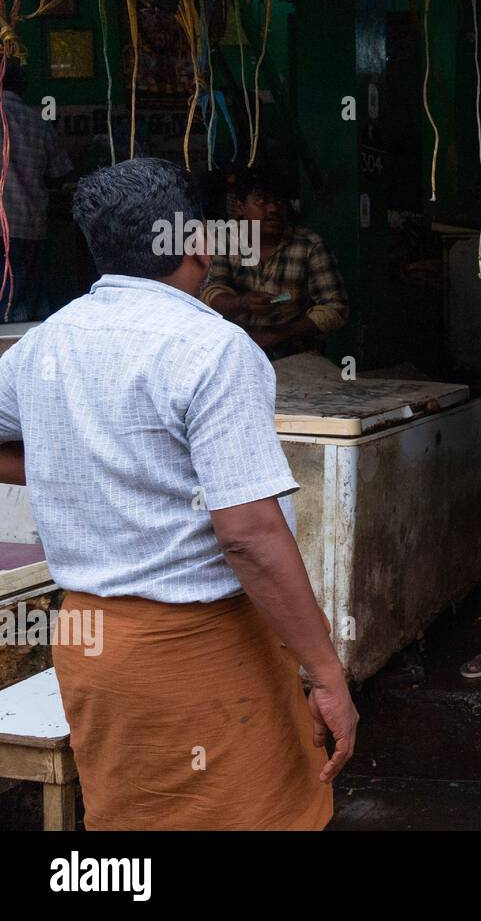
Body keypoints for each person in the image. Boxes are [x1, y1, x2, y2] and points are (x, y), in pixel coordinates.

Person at [0, 157, 358, 830]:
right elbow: (248, 533)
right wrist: (326, 671)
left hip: (92, 647)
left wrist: (61, 462)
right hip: (201, 652)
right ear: (195, 242)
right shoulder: (214, 349)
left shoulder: (42, 345)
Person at [202, 168, 349, 359]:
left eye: (278, 202)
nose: (273, 209)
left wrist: (280, 334)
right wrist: (241, 302)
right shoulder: (224, 241)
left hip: (295, 354)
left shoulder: (310, 246)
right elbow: (210, 292)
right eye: (261, 201)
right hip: (235, 351)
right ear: (239, 207)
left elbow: (335, 308)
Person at [0, 60, 73, 322]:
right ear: (23, 87)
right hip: (28, 227)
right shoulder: (38, 123)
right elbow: (61, 174)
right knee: (25, 307)